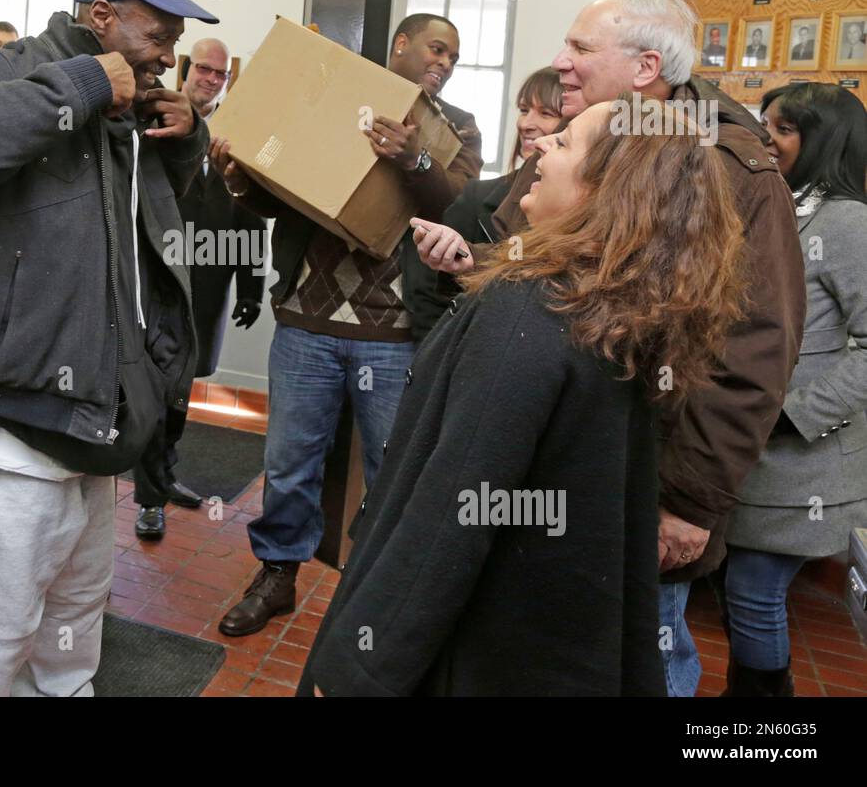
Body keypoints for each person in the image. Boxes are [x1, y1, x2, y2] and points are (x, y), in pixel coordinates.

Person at [411, 0, 805, 698]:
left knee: (635, 658)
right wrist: (471, 263)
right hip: (538, 466)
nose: (560, 63)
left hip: (634, 488)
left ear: (646, 66)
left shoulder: (732, 166)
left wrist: (687, 503)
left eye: (581, 50)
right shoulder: (584, 138)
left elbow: (755, 352)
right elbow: (526, 256)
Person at [300, 97, 747, 696]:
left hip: (480, 643)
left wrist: (358, 671)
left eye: (564, 143)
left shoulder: (525, 308)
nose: (539, 146)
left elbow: (453, 513)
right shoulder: (619, 310)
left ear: (609, 185)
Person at [0, 0, 217, 696]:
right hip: (8, 432)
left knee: (70, 639)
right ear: (101, 17)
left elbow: (136, 249)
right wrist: (79, 82)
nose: (170, 55)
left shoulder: (131, 106)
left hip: (91, 426)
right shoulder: (20, 68)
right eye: (159, 34)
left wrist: (185, 140)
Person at [208, 12, 483, 637]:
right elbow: (285, 192)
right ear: (402, 45)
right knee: (288, 462)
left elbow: (461, 213)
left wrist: (416, 160)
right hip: (307, 320)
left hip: (392, 335)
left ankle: (380, 595)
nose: (444, 63)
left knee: (392, 470)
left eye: (455, 58)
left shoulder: (455, 129)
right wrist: (239, 180)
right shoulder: (341, 98)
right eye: (437, 49)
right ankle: (277, 576)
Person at [723, 83, 867, 696]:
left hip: (800, 462)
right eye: (766, 125)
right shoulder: (778, 206)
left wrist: (790, 416)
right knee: (743, 597)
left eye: (782, 129)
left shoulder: (847, 221)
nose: (766, 139)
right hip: (751, 451)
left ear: (823, 140)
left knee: (753, 595)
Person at [133, 36, 265, 539]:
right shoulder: (157, 122)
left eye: (220, 74)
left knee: (183, 392)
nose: (210, 79)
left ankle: (165, 478)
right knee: (155, 393)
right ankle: (149, 499)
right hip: (162, 285)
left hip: (210, 289)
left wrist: (252, 286)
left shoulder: (236, 135)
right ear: (185, 70)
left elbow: (251, 216)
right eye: (203, 70)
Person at [405, 66, 564, 340]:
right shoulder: (478, 197)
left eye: (546, 113)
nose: (526, 123)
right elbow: (427, 291)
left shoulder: (583, 210)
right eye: (524, 110)